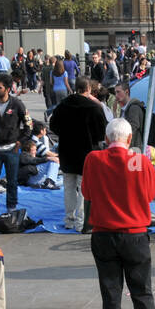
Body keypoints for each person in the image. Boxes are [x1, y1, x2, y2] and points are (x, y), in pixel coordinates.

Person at [81, 118, 155, 309]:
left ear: (107, 139)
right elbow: (149, 195)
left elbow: (87, 193)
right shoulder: (139, 161)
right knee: (142, 293)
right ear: (129, 139)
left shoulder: (94, 159)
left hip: (104, 234)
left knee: (111, 295)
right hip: (135, 234)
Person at [49, 76, 108, 233]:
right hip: (86, 153)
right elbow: (101, 133)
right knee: (84, 188)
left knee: (68, 187)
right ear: (88, 89)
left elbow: (53, 126)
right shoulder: (94, 108)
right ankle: (81, 222)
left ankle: (69, 219)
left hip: (67, 151)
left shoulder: (63, 105)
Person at [0, 72, 32, 223]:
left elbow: (28, 125)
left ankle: (11, 207)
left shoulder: (17, 105)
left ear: (8, 89)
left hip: (12, 150)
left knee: (12, 181)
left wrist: (20, 142)